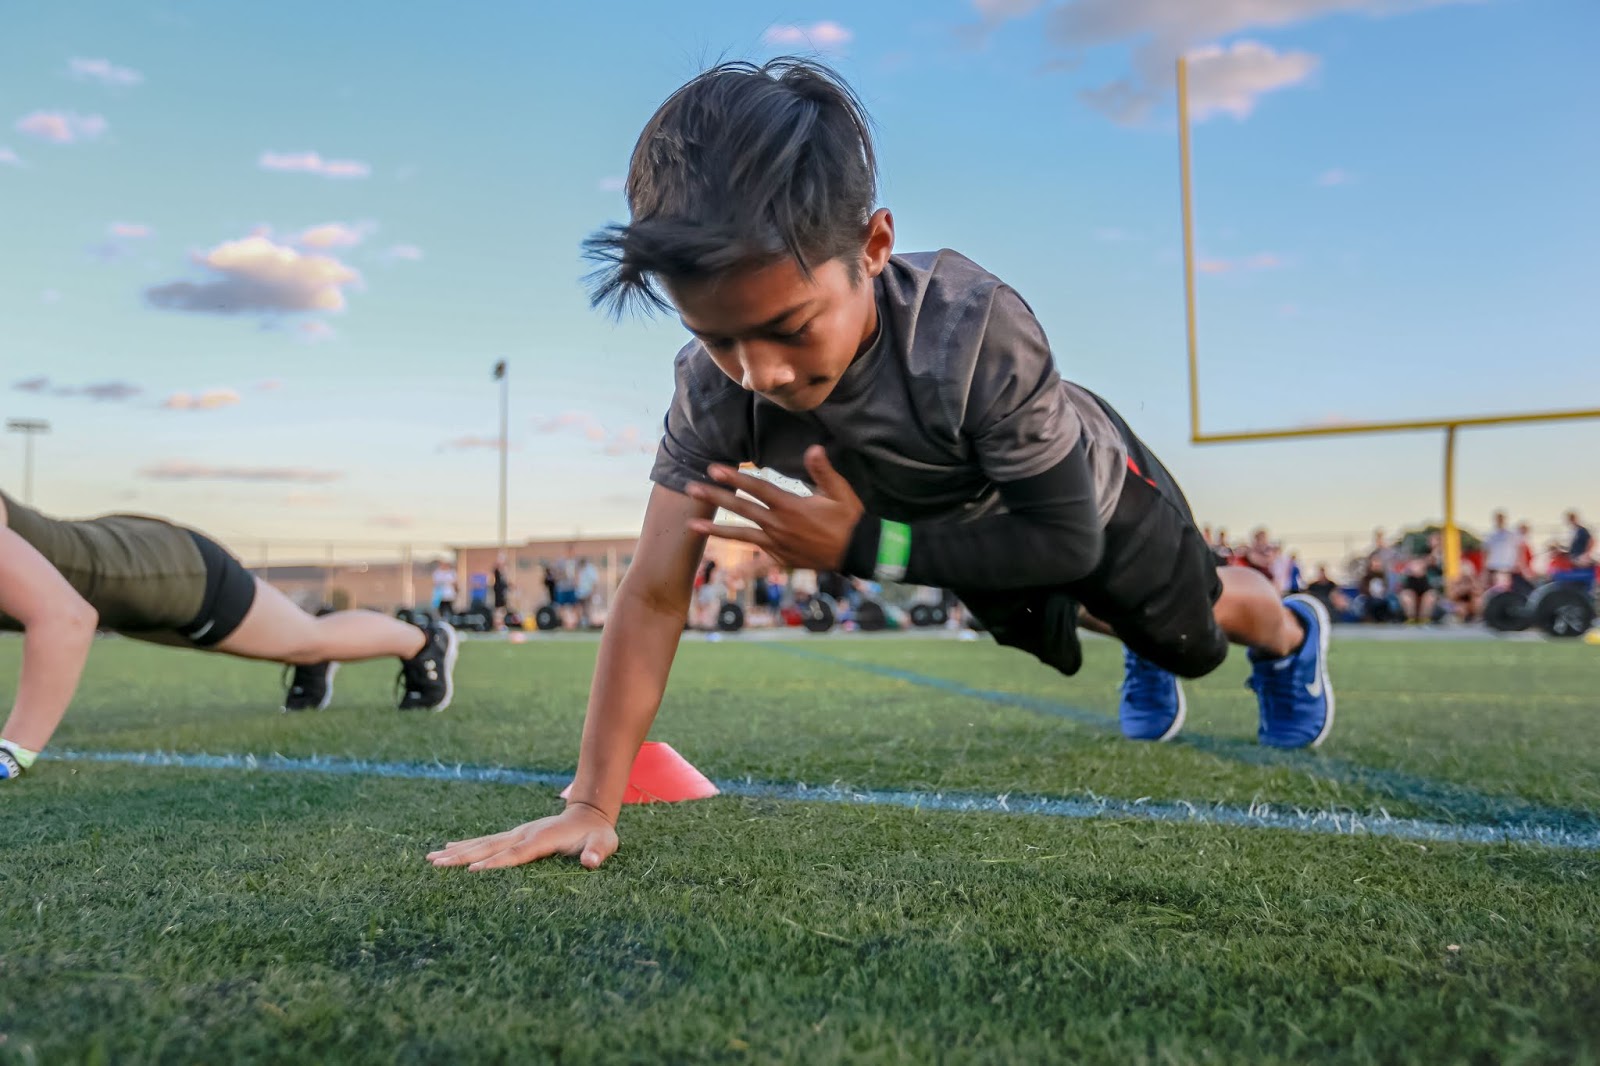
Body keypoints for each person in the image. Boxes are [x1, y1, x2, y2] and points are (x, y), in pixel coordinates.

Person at [427, 58, 1333, 873]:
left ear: (874, 246)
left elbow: (1063, 540)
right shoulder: (715, 388)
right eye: (716, 336)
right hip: (946, 524)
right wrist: (592, 803)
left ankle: (1289, 633)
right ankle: (1134, 636)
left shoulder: (973, 330)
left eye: (788, 327)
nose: (759, 373)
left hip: (1086, 498)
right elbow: (657, 591)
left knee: (1189, 637)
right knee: (1069, 617)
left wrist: (866, 546)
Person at [0, 491, 460, 781]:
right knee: (288, 640)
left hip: (167, 568)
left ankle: (423, 641)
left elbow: (66, 618)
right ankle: (312, 658)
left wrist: (13, 753)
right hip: (121, 586)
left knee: (307, 637)